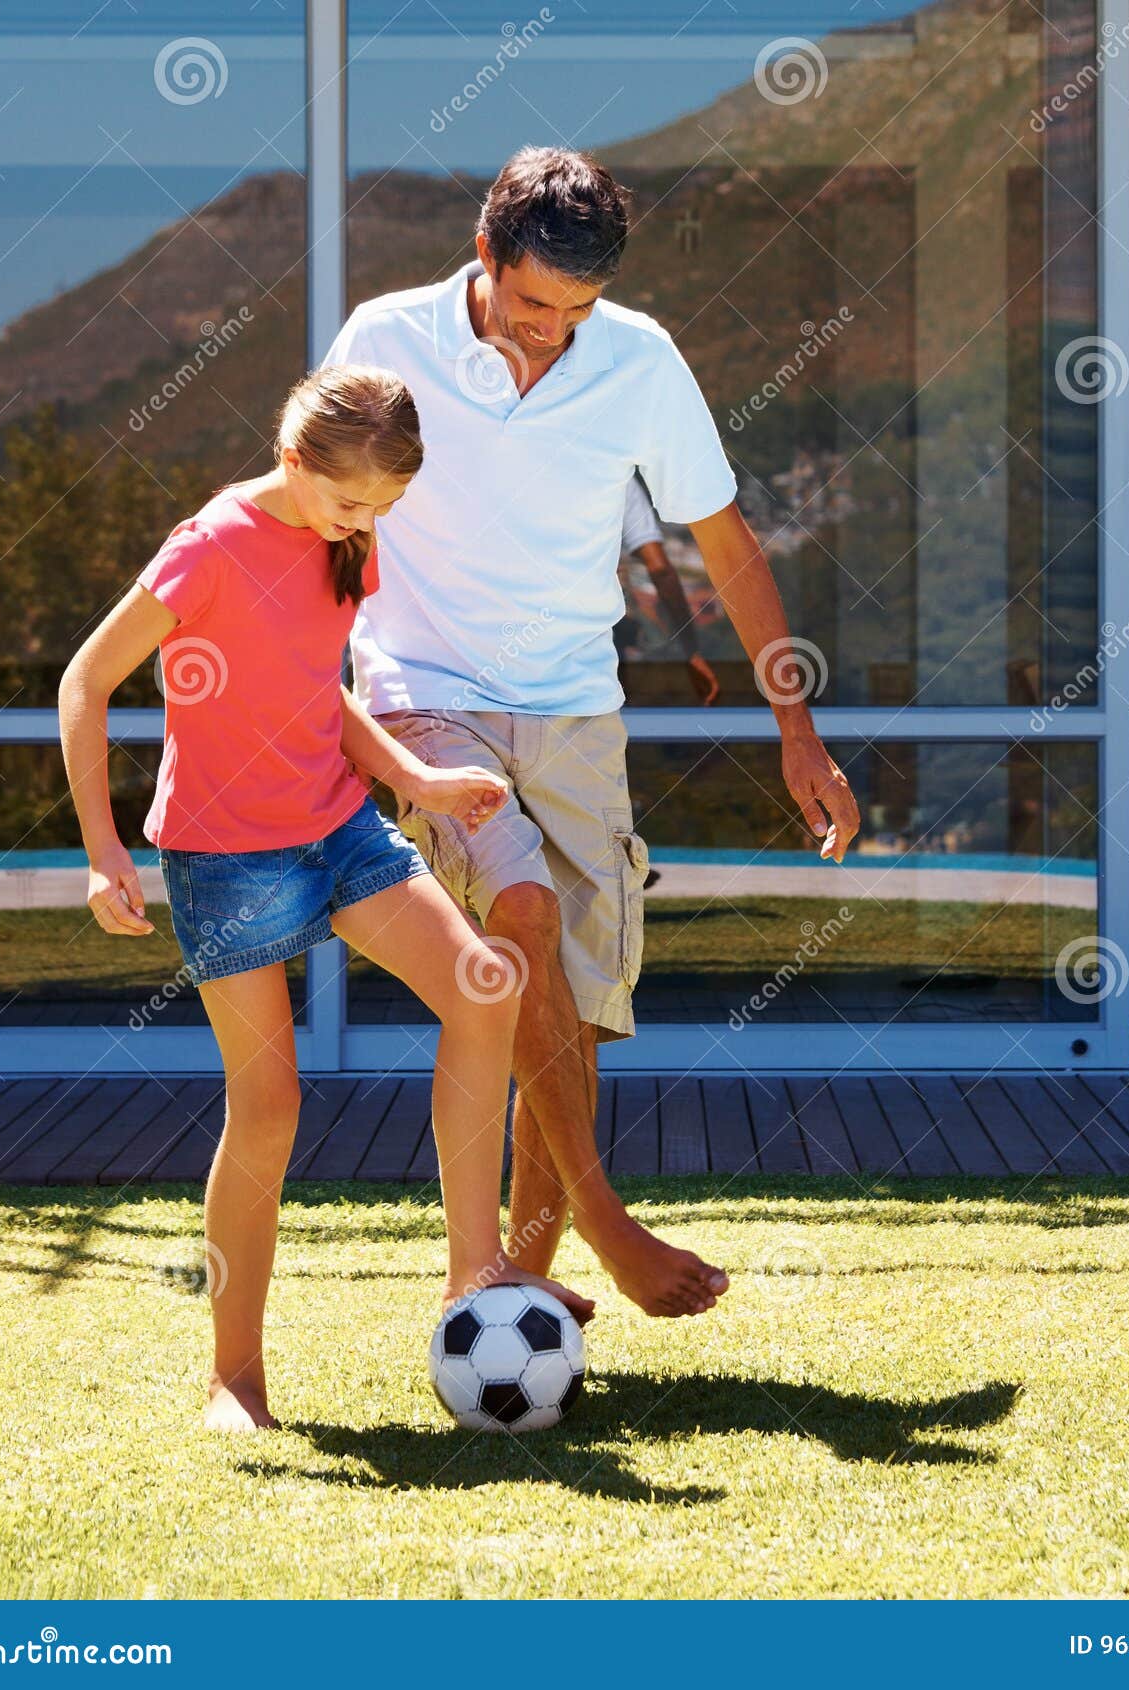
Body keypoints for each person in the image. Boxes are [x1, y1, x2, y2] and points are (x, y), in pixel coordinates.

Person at [325, 146, 861, 1320]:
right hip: (425, 689)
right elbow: (319, 517)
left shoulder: (639, 359)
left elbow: (726, 545)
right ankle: (608, 1224)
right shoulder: (385, 338)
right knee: (521, 909)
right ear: (484, 252)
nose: (548, 334)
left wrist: (797, 731)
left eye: (575, 311)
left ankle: (519, 1277)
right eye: (531, 305)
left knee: (569, 1005)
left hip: (574, 705)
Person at [58, 365, 593, 1433]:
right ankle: (235, 1378)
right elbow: (85, 680)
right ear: (292, 458)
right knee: (269, 1107)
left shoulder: (344, 535)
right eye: (350, 501)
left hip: (338, 826)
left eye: (382, 507)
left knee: (484, 986)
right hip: (227, 857)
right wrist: (102, 849)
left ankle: (474, 1270)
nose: (364, 522)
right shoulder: (208, 547)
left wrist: (415, 779)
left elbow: (317, 687)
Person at [614, 471, 720, 707]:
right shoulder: (616, 474)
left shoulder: (527, 468)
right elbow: (660, 569)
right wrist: (691, 651)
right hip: (599, 655)